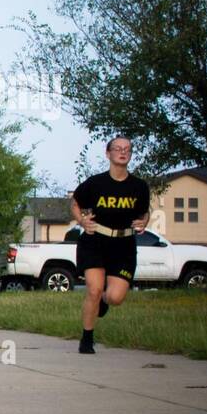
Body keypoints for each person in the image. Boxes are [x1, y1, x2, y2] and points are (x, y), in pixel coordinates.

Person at [70, 136, 150, 355]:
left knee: (115, 297)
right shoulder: (96, 183)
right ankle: (87, 339)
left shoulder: (139, 186)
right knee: (94, 290)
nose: (122, 152)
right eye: (117, 149)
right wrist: (81, 220)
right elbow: (75, 203)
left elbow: (144, 213)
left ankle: (104, 300)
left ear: (130, 155)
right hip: (95, 241)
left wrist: (145, 222)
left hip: (123, 245)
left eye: (127, 149)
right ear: (108, 154)